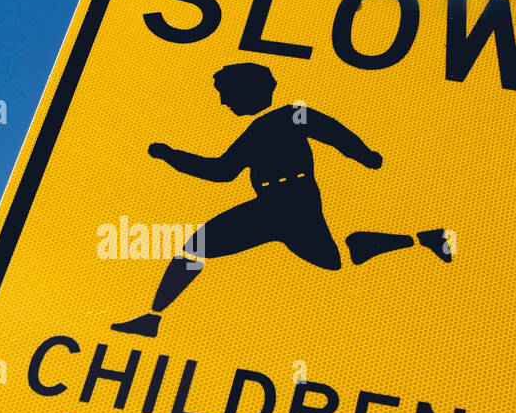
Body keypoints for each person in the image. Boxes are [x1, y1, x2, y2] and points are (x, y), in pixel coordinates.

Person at [110, 62, 450, 338]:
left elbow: (331, 130)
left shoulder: (292, 114)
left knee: (332, 263)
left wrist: (363, 154)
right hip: (272, 205)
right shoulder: (256, 130)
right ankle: (152, 319)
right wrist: (172, 156)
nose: (224, 102)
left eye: (227, 94)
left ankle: (414, 239)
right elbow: (222, 171)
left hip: (292, 202)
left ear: (249, 90)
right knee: (333, 261)